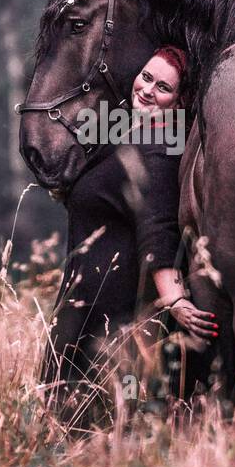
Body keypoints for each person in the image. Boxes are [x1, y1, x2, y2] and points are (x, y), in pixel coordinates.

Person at [42, 46, 216, 408]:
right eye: (147, 77)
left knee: (95, 428)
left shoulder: (159, 145)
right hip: (86, 310)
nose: (148, 89)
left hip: (110, 318)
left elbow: (158, 225)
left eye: (163, 87)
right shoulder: (130, 135)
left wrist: (173, 297)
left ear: (180, 103)